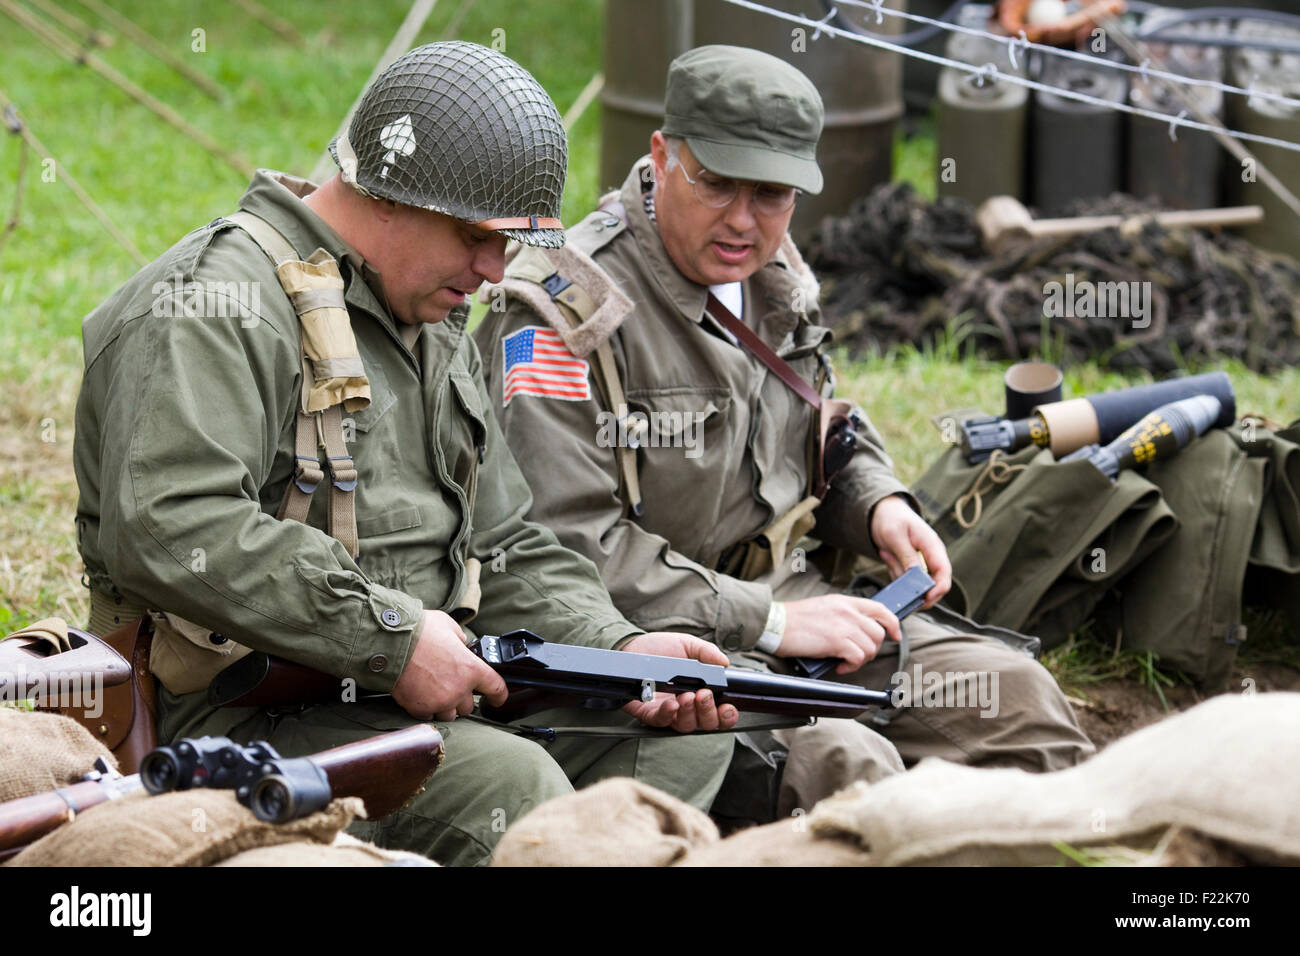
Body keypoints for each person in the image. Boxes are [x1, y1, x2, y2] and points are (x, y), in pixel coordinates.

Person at [71, 41, 737, 867]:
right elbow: (171, 523)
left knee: (677, 747)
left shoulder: (426, 319)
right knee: (513, 784)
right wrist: (390, 636)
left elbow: (503, 541)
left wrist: (614, 646)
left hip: (414, 689)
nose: (494, 271)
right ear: (386, 195)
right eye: (474, 237)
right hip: (235, 714)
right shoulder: (218, 303)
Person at [476, 44, 1094, 813]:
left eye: (772, 193)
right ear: (663, 155)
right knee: (847, 765)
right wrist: (767, 623)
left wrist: (877, 503)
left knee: (1019, 704)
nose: (742, 219)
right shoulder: (561, 315)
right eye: (717, 184)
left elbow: (818, 422)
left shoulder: (770, 277)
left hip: (787, 603)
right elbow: (559, 549)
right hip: (644, 646)